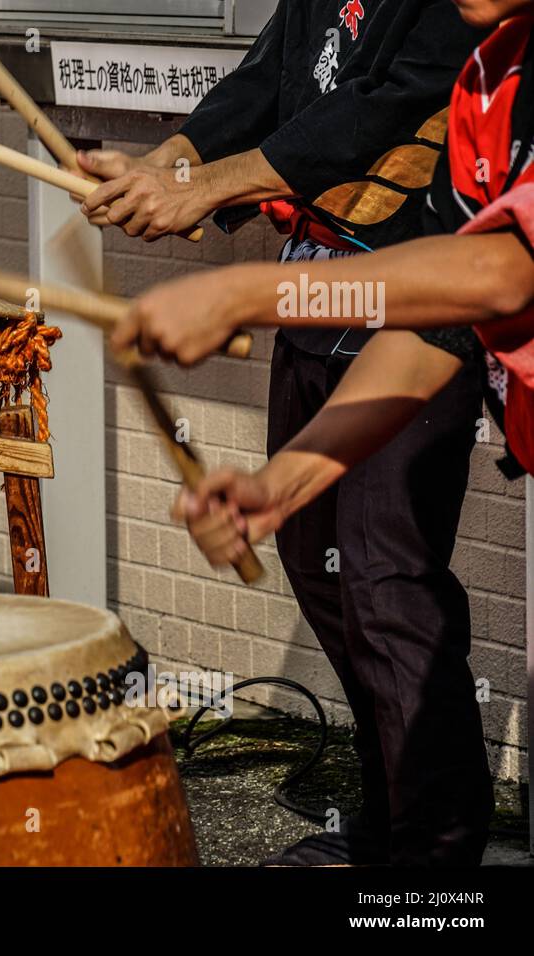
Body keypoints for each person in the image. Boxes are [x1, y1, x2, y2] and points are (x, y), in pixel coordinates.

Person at [111, 0, 534, 867]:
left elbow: (498, 273)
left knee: (388, 578)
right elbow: (434, 331)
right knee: (328, 564)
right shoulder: (492, 78)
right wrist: (283, 484)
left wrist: (246, 295)